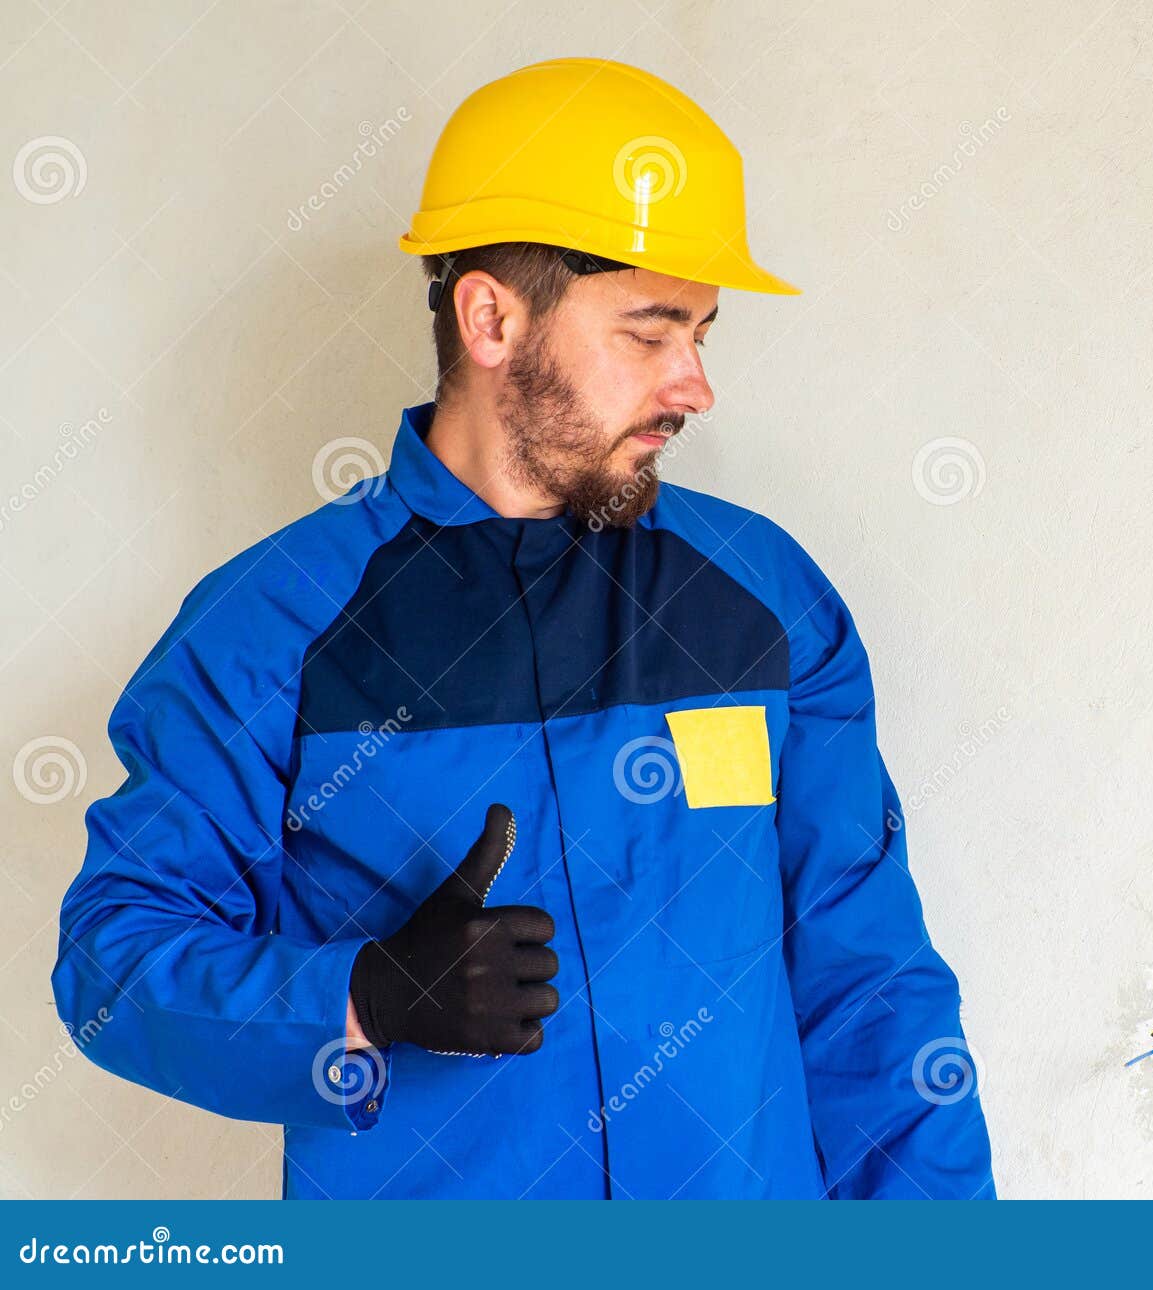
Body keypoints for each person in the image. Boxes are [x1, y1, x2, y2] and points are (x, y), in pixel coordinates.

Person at [50, 57, 994, 1200]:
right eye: (650, 331)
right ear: (491, 317)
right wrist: (364, 997)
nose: (694, 384)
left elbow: (872, 987)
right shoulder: (269, 630)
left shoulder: (765, 597)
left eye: (701, 332)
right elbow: (115, 958)